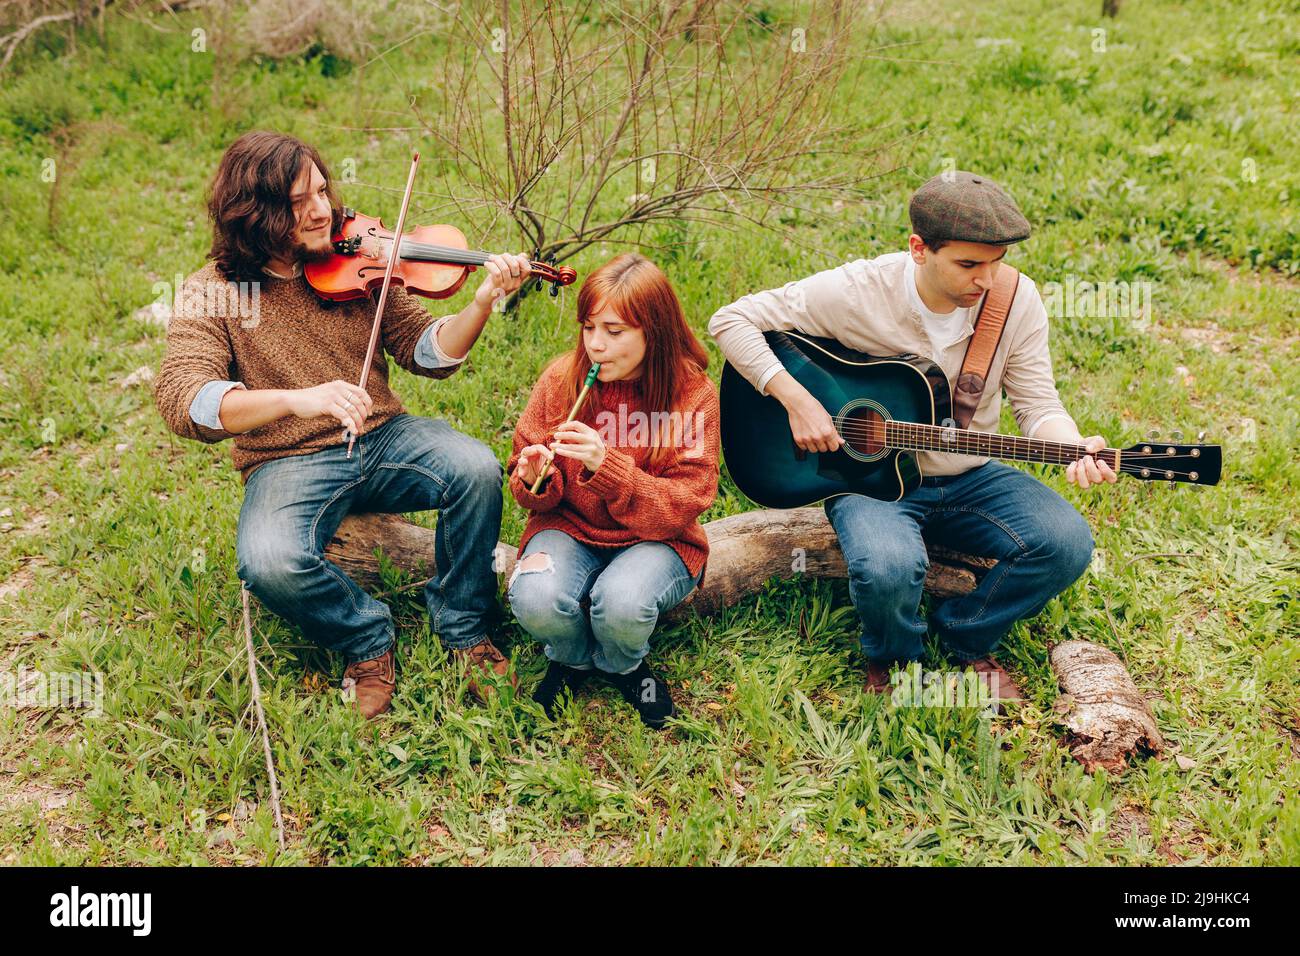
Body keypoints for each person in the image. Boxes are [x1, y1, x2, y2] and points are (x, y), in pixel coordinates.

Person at [154, 130, 533, 719]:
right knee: (269, 562)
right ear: (254, 213)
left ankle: (463, 625)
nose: (323, 211)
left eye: (324, 191)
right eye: (299, 202)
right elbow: (187, 400)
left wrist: (481, 301)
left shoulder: (359, 256)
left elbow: (427, 353)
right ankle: (366, 639)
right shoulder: (215, 292)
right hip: (286, 460)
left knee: (475, 467)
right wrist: (295, 400)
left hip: (382, 435)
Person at [708, 171, 1112, 701]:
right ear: (918, 249)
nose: (986, 280)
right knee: (888, 567)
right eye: (968, 264)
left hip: (967, 474)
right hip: (867, 477)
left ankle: (965, 636)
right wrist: (799, 401)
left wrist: (1072, 445)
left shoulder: (1014, 302)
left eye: (997, 262)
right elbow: (731, 319)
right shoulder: (857, 292)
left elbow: (1038, 404)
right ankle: (896, 658)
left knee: (1066, 543)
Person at [506, 254, 721, 728]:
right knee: (534, 598)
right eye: (588, 327)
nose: (596, 345)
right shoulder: (562, 379)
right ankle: (572, 658)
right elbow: (530, 490)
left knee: (621, 604)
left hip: (658, 540)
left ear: (654, 330)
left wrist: (607, 466)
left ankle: (623, 664)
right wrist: (534, 475)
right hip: (569, 527)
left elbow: (686, 501)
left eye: (614, 331)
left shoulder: (693, 395)